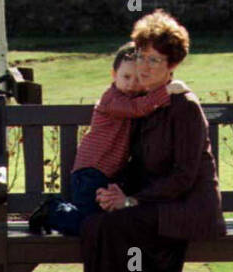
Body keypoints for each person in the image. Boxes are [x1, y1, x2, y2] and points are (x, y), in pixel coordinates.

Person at [81, 9, 225, 272]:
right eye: (142, 58)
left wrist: (132, 200)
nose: (144, 67)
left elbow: (183, 176)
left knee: (121, 226)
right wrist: (117, 192)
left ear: (171, 66)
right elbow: (138, 165)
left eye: (155, 61)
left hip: (188, 206)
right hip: (157, 202)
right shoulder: (145, 104)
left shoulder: (184, 107)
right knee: (96, 224)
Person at [29, 45, 186, 237]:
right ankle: (53, 210)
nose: (131, 84)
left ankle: (59, 211)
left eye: (138, 79)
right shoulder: (112, 99)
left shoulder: (135, 99)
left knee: (103, 223)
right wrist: (167, 90)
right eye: (126, 77)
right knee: (91, 224)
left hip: (107, 175)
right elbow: (138, 108)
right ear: (114, 74)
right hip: (90, 171)